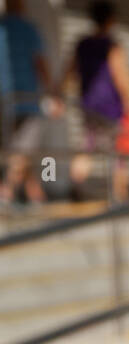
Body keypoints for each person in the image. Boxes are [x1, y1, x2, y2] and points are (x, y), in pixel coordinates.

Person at [54, 0, 129, 202]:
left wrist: (57, 95)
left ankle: (76, 183)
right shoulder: (112, 45)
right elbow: (121, 77)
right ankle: (120, 195)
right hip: (110, 108)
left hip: (88, 105)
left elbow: (68, 72)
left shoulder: (82, 44)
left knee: (88, 146)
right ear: (111, 20)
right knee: (117, 152)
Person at [0, 0, 53, 205]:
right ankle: (5, 192)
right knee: (22, 154)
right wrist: (51, 93)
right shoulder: (28, 29)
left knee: (22, 154)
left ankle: (37, 197)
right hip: (28, 101)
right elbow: (40, 62)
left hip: (4, 102)